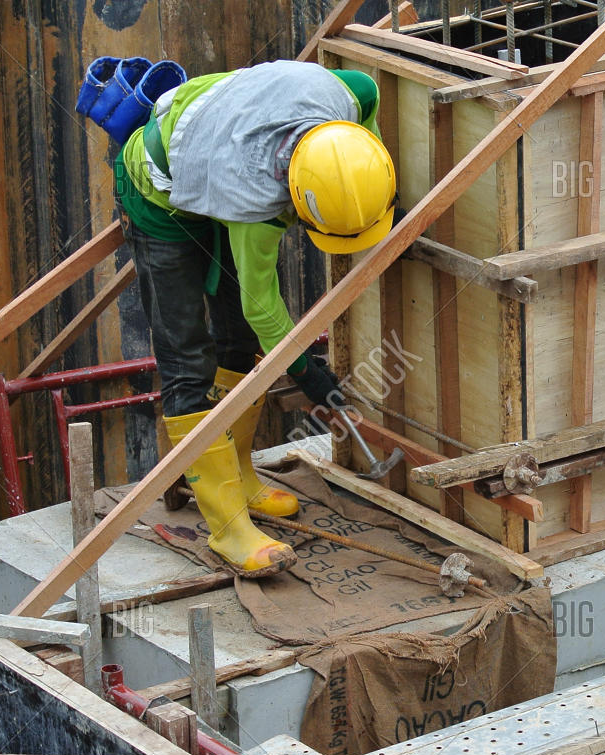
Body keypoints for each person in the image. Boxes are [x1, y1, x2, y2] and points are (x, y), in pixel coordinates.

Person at [115, 59, 397, 577]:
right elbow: (260, 303)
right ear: (291, 196)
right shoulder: (253, 204)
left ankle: (241, 476)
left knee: (238, 343)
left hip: (219, 140)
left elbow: (369, 97)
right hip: (163, 197)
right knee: (188, 357)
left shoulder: (350, 97)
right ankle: (227, 530)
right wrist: (307, 372)